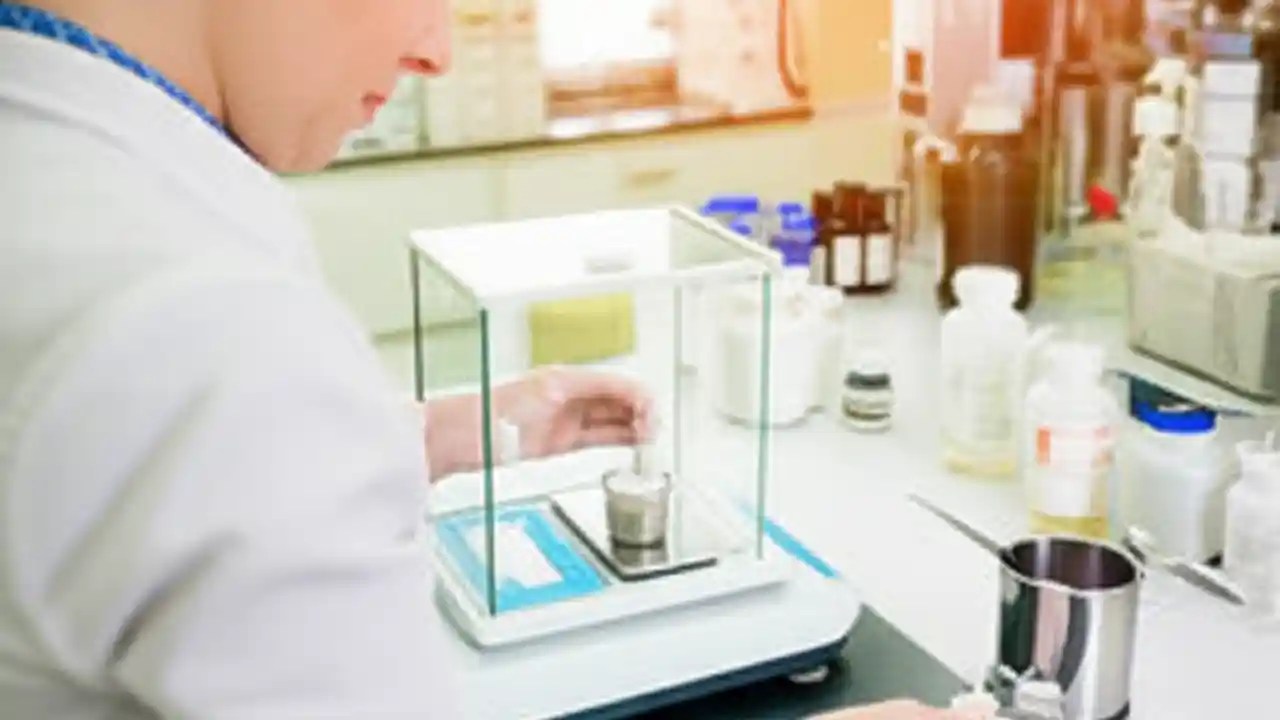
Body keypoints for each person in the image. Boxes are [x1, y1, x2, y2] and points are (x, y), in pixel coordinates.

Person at [0, 2, 961, 718]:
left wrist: (440, 433)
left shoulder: (54, 168)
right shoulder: (202, 320)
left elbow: (148, 478)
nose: (439, 48)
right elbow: (206, 396)